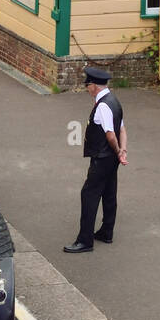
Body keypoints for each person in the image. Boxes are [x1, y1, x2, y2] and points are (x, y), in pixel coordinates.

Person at [64, 66, 127, 253]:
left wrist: (117, 150)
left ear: (93, 86)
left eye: (87, 85)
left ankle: (85, 241)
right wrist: (123, 150)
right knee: (108, 193)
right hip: (111, 158)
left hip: (102, 157)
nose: (87, 89)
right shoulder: (114, 101)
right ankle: (106, 232)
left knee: (89, 194)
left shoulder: (103, 106)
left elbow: (110, 134)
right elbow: (122, 129)